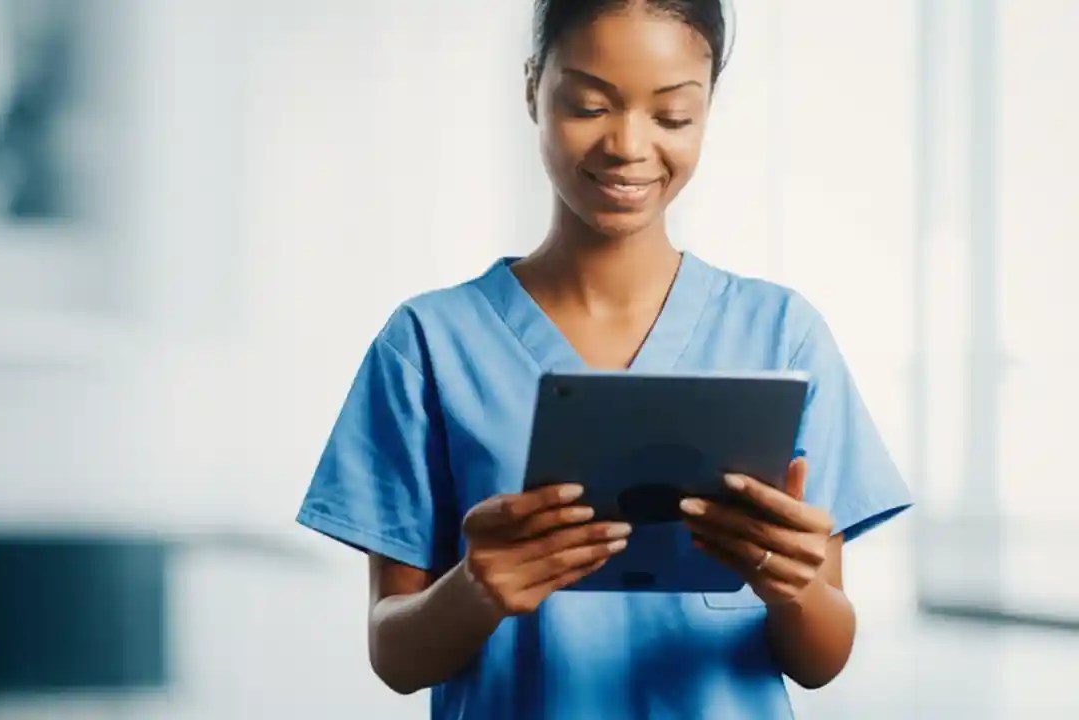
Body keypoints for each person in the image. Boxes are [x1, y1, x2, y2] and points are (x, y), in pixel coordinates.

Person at [295, 1, 912, 717]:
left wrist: (794, 586)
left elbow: (821, 661)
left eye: (673, 116)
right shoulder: (428, 344)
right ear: (533, 87)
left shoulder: (781, 336)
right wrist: (475, 590)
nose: (628, 145)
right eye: (589, 106)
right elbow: (395, 657)